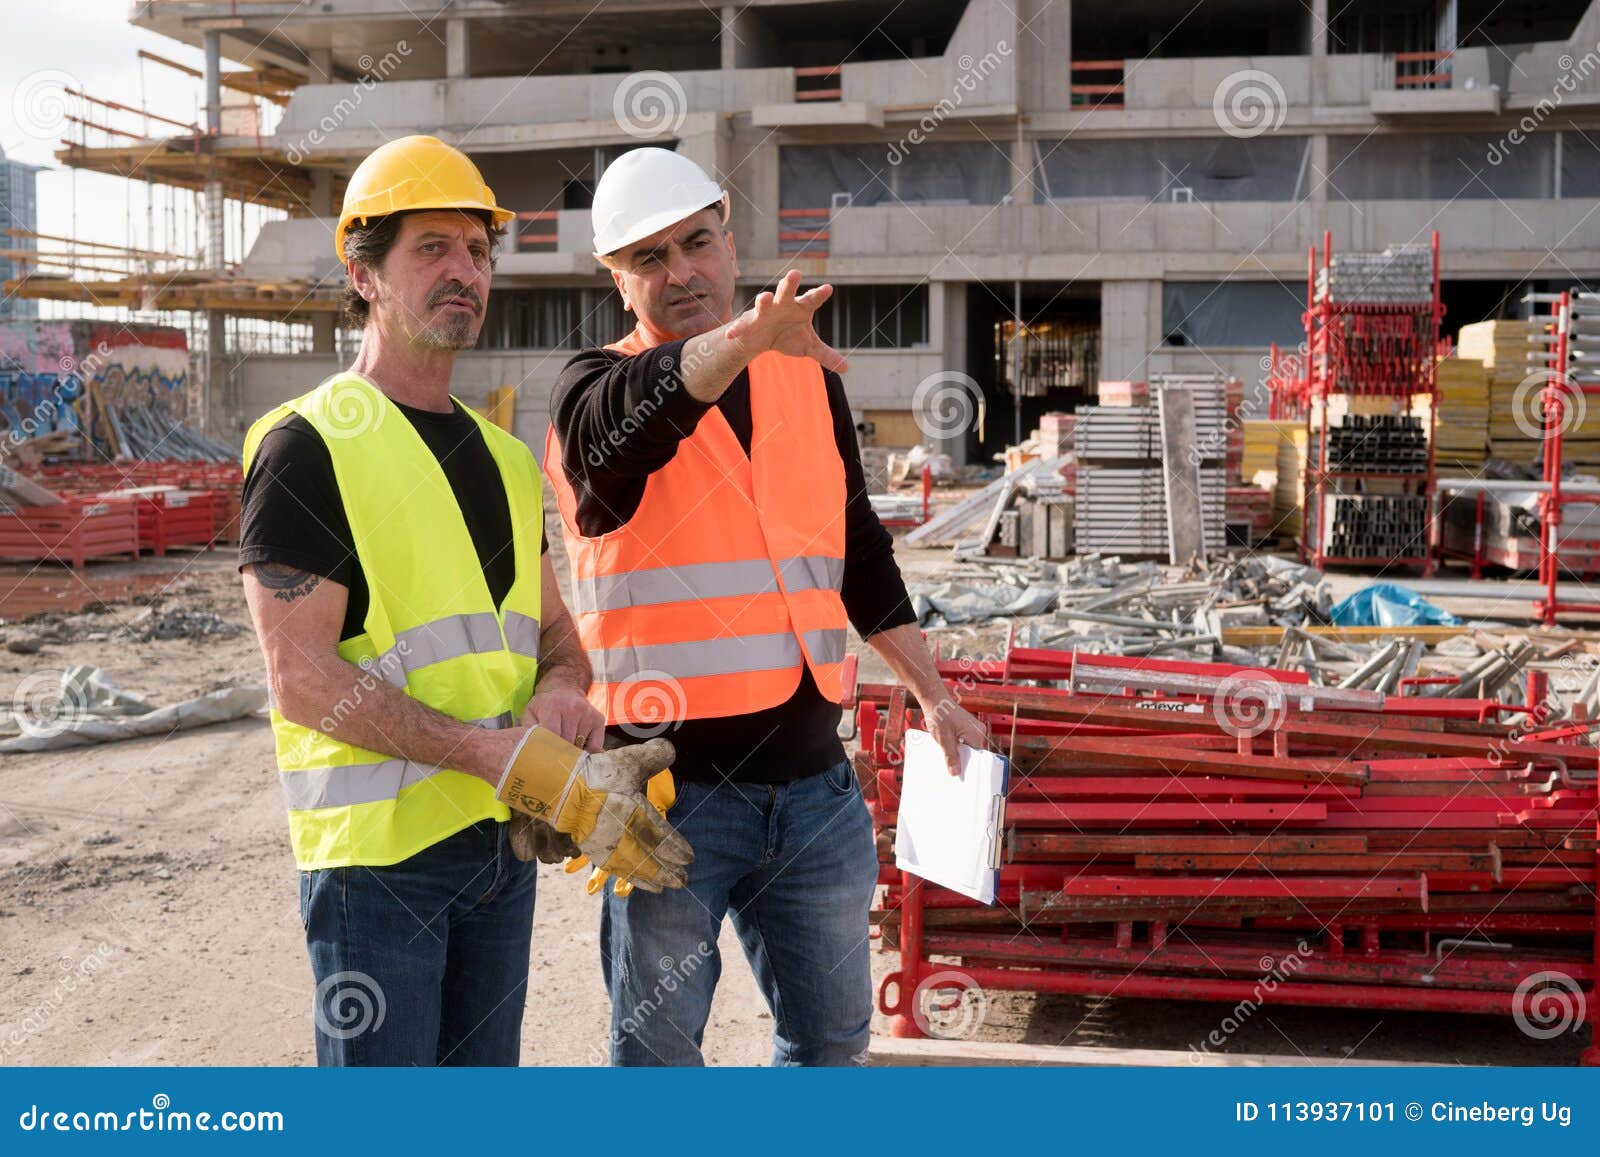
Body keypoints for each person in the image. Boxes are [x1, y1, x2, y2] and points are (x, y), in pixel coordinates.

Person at [238, 135, 688, 1067]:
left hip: (498, 857)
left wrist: (563, 702)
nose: (465, 271)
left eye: (479, 250)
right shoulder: (306, 446)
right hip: (378, 869)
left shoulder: (507, 459)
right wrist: (501, 757)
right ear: (364, 275)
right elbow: (305, 680)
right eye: (432, 248)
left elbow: (558, 636)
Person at [545, 147, 988, 1066]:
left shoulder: (805, 379)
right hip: (668, 799)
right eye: (650, 259)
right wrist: (746, 340)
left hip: (814, 790)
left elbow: (856, 546)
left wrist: (933, 691)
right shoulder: (593, 393)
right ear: (617, 281)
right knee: (659, 1059)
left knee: (831, 1044)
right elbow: (645, 411)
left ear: (730, 242)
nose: (681, 273)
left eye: (695, 243)